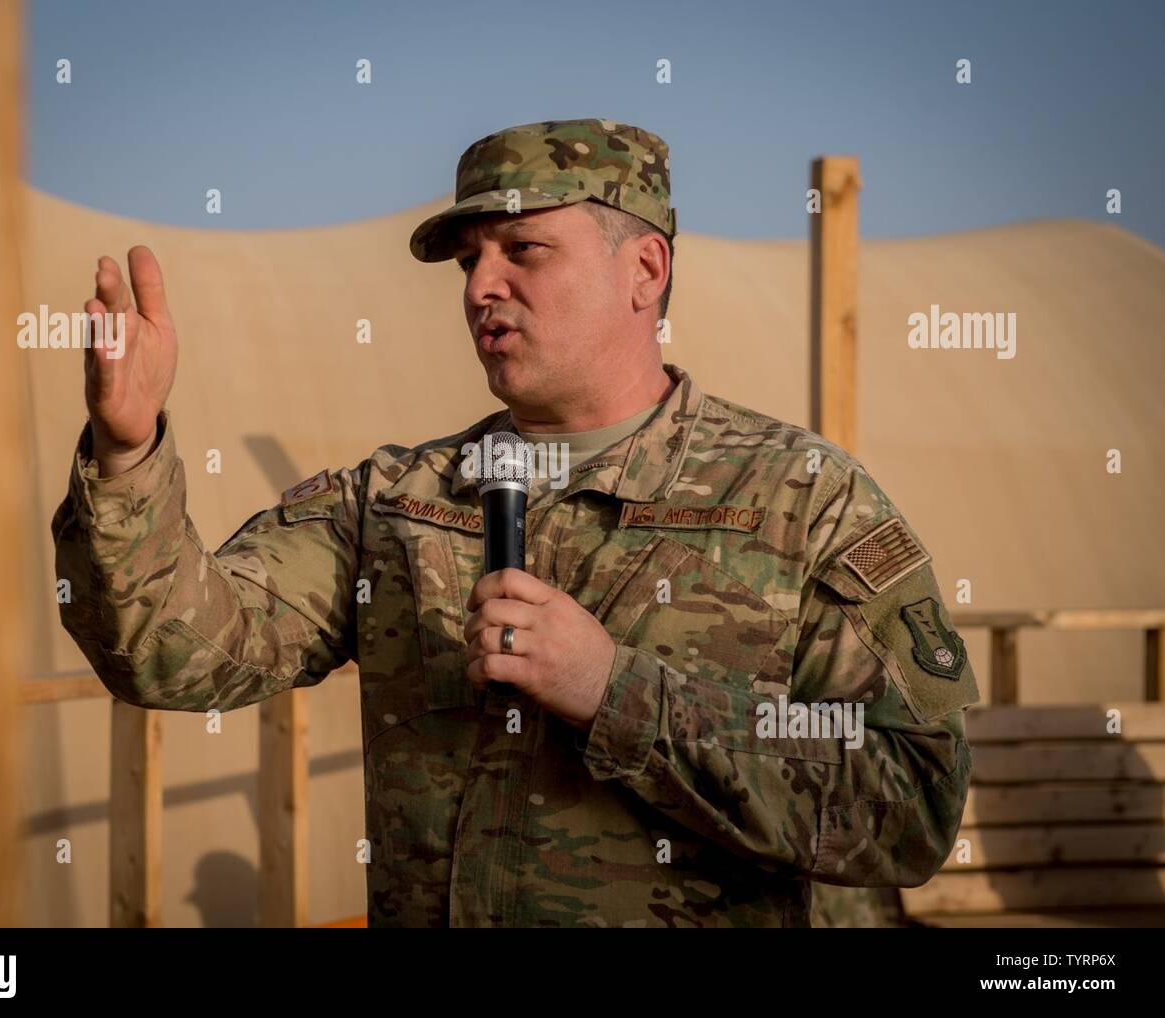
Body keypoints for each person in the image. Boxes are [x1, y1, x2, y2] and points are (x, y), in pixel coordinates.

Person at [53, 118, 979, 928]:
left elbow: (911, 808)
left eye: (522, 250)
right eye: (469, 262)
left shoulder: (802, 500)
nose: (479, 288)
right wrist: (127, 455)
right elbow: (173, 656)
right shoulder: (396, 501)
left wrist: (619, 692)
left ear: (645, 270)